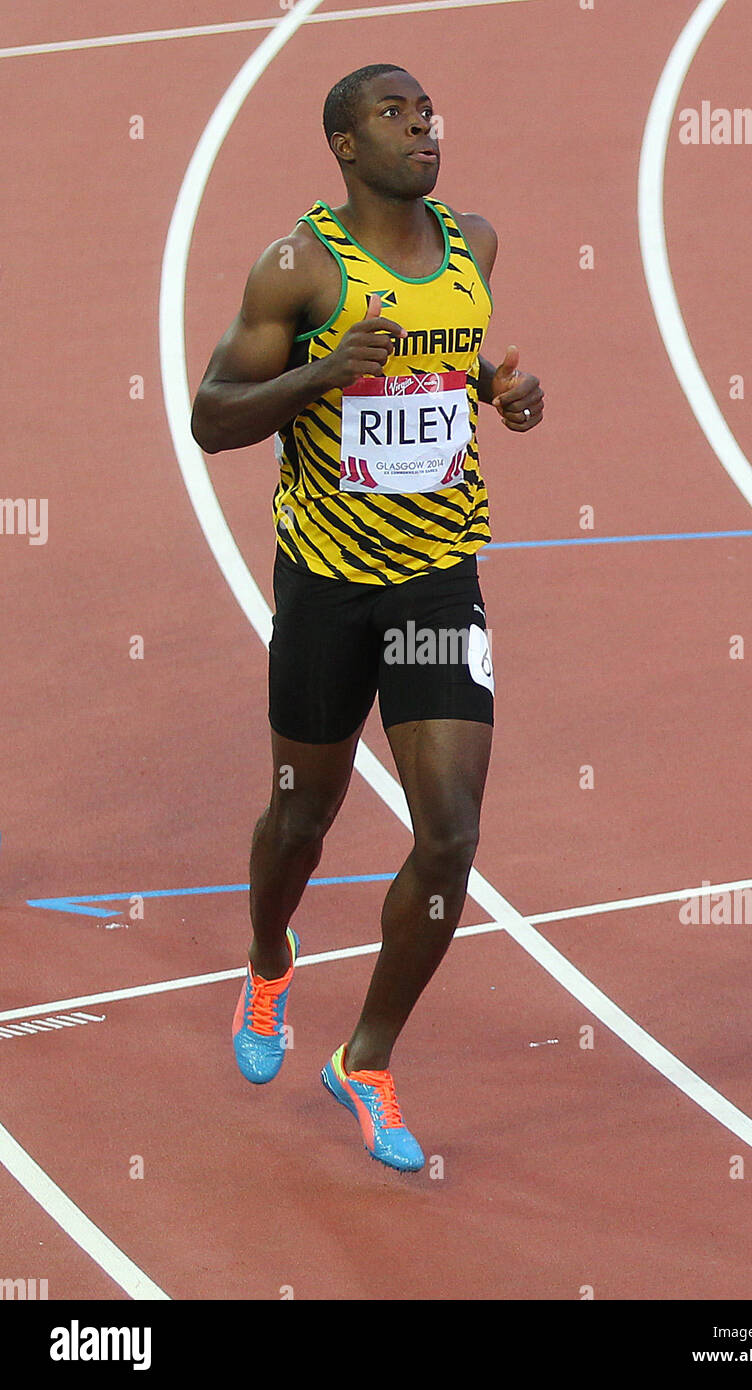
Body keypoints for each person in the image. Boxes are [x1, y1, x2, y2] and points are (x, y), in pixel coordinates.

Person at [191, 63, 543, 1172]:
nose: (421, 125)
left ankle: (368, 1057)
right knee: (303, 818)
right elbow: (209, 416)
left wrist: (499, 390)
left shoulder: (472, 244)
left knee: (451, 831)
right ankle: (266, 955)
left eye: (427, 109)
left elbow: (442, 355)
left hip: (438, 581)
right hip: (327, 590)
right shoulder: (298, 268)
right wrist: (319, 375)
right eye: (394, 115)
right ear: (344, 145)